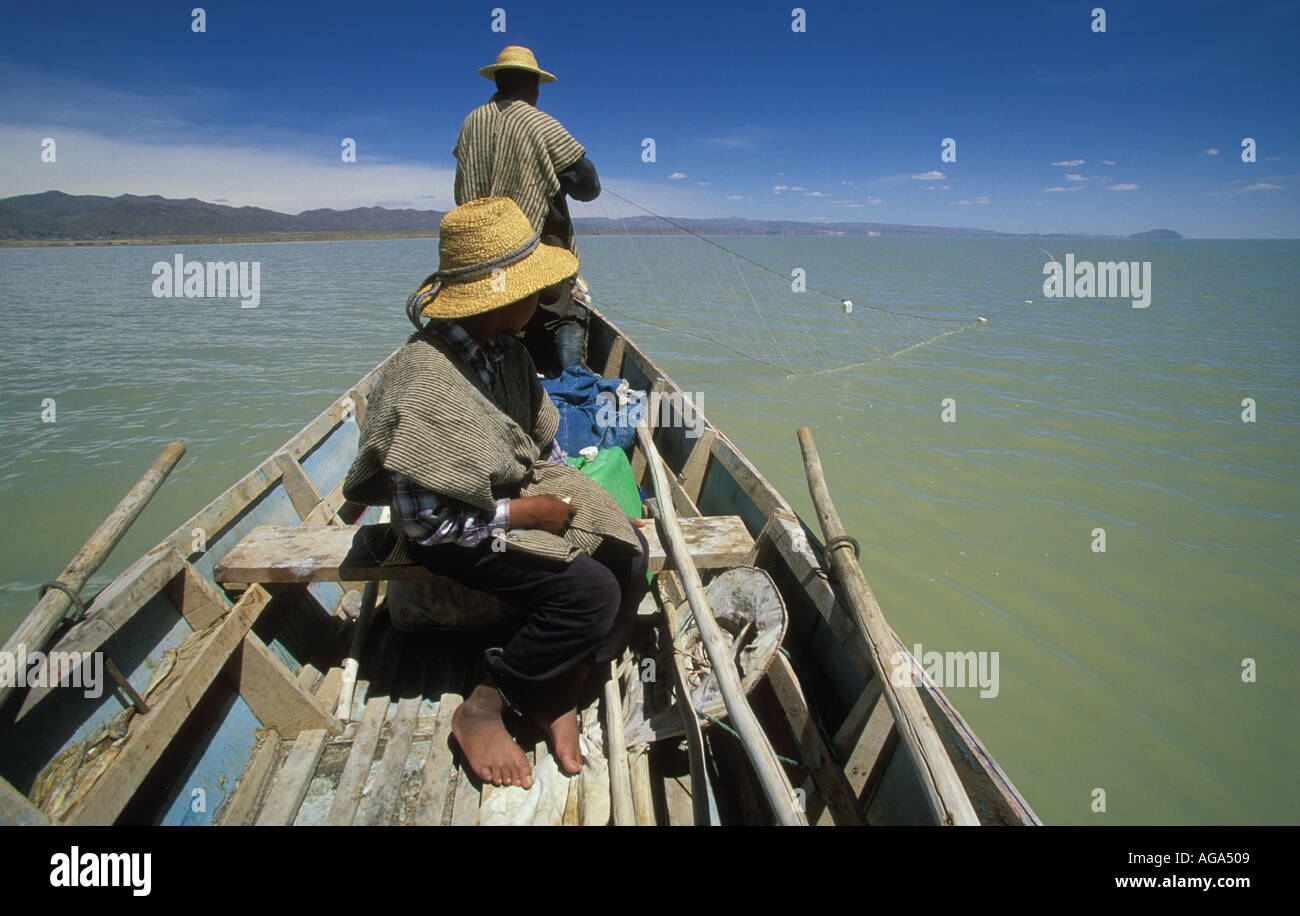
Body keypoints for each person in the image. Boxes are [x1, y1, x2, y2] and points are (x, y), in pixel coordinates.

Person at [342, 197, 648, 789]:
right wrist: (523, 513)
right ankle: (485, 704)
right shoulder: (423, 378)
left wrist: (597, 512)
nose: (543, 299)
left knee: (629, 562)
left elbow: (543, 452)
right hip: (454, 535)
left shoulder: (505, 353)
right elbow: (426, 525)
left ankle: (558, 690)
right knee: (589, 595)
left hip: (506, 499)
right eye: (533, 288)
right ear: (503, 299)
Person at [453, 45, 600, 377]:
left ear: (498, 81)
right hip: (533, 244)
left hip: (480, 249)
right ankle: (568, 386)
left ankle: (499, 374)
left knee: (494, 313)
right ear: (533, 85)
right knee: (564, 310)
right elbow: (589, 186)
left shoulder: (471, 122)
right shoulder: (540, 123)